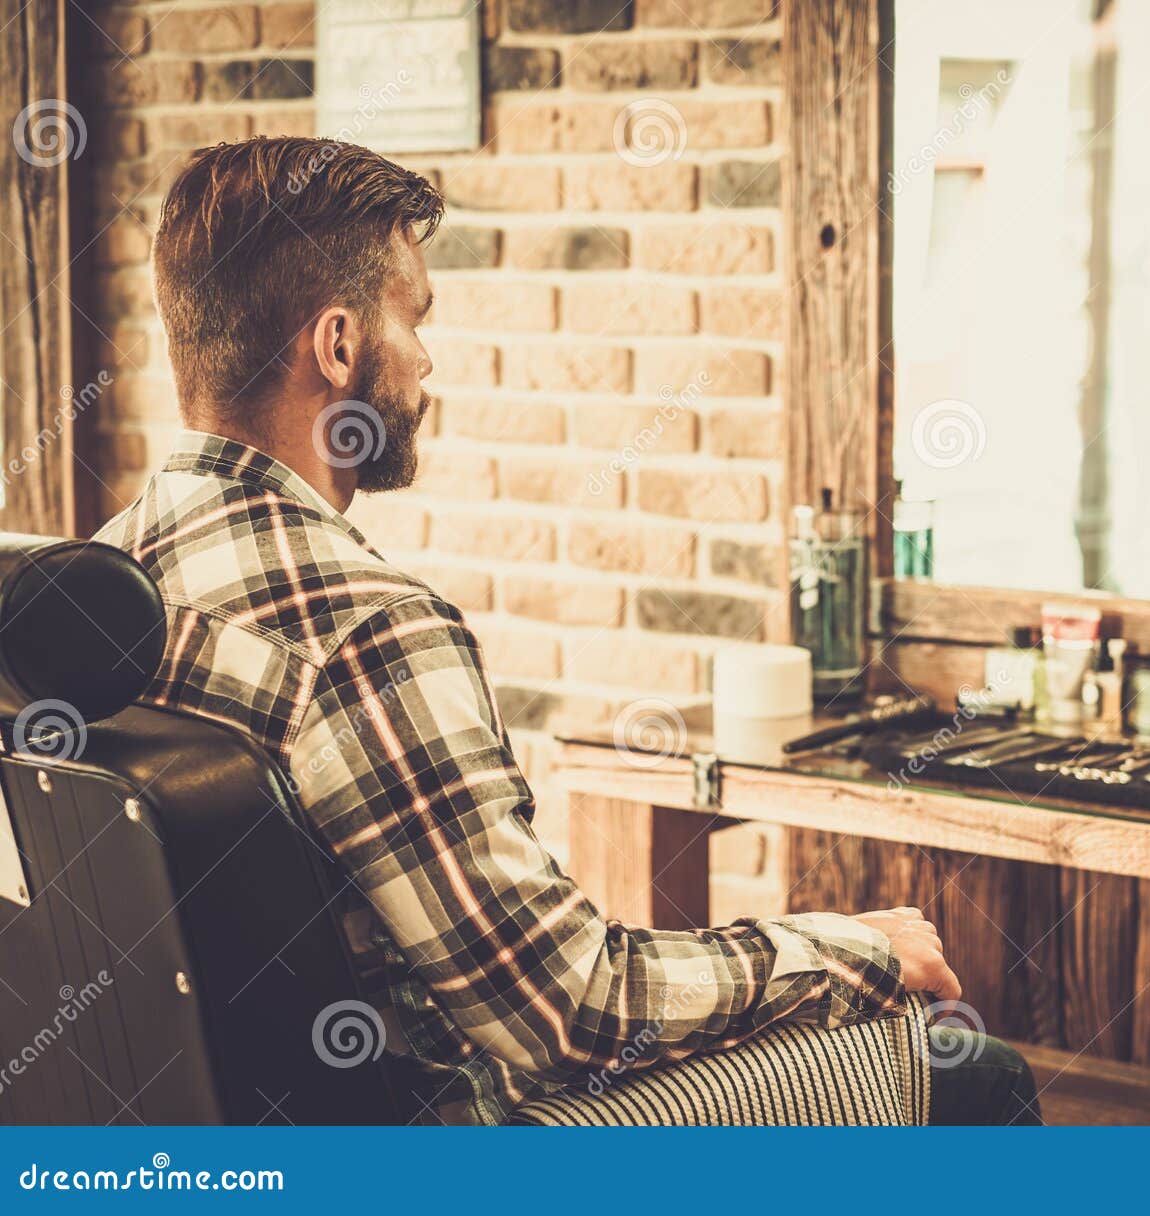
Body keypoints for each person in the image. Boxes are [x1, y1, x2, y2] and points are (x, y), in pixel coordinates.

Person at [96, 137, 1038, 1126]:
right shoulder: (358, 632)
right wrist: (855, 948)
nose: (424, 359)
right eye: (413, 316)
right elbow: (567, 1010)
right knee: (969, 1069)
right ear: (336, 346)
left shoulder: (88, 587)